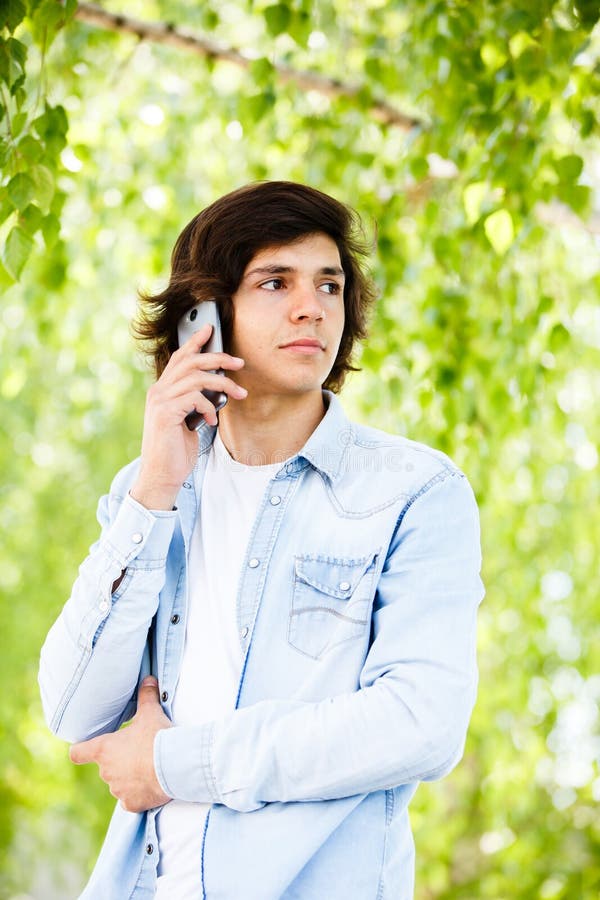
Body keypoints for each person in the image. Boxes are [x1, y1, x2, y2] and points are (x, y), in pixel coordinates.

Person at [39, 180, 485, 900]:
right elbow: (73, 711)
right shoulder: (149, 493)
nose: (314, 307)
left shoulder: (415, 493)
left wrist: (173, 763)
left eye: (329, 284)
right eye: (276, 282)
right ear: (204, 319)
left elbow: (419, 723)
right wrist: (152, 494)